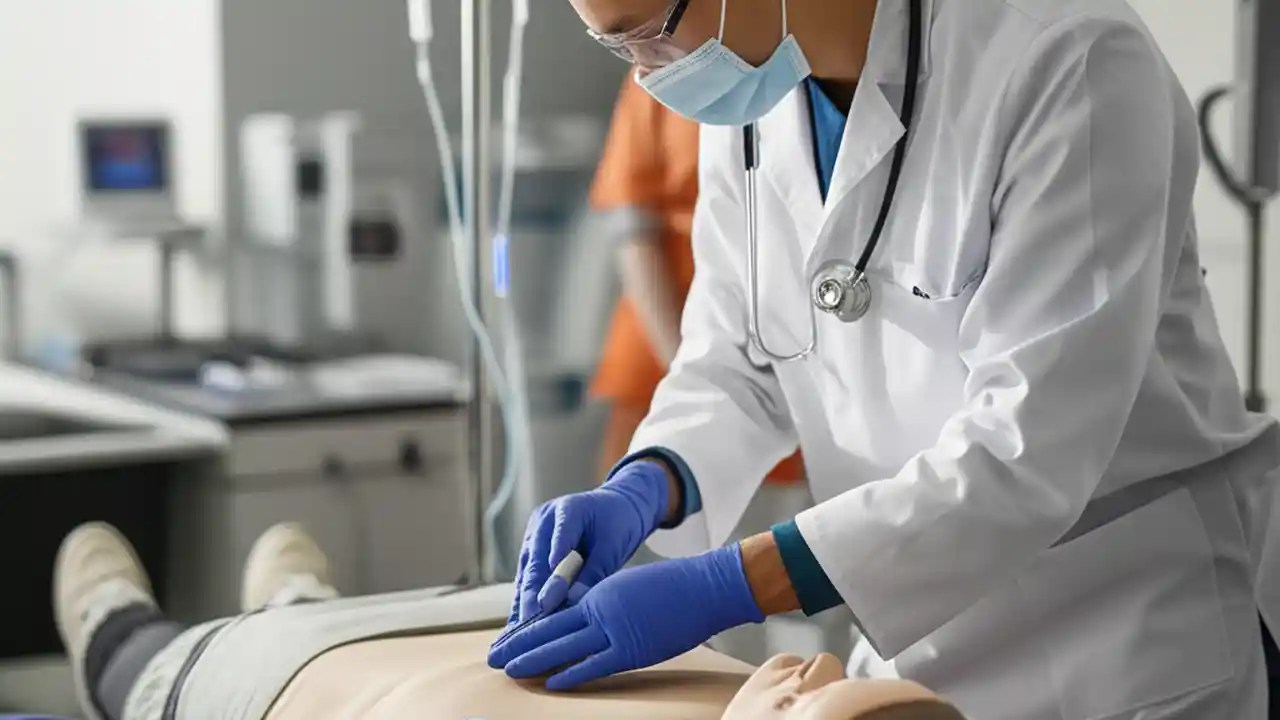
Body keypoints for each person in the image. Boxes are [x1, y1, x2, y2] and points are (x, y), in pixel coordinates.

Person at [491, 1, 1280, 718]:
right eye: (609, 42)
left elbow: (1028, 447)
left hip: (1117, 645)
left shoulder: (1068, 61)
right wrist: (650, 482)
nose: (641, 68)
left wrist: (730, 585)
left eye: (647, 29)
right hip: (917, 660)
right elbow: (740, 360)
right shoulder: (757, 102)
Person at [50, 522, 964, 720]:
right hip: (489, 609)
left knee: (133, 657)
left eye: (809, 702)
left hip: (267, 675)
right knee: (296, 593)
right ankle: (297, 592)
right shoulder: (762, 694)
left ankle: (111, 626)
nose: (819, 669)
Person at [590, 74, 805, 484]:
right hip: (664, 331)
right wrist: (690, 370)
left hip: (787, 340)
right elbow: (632, 224)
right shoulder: (657, 74)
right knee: (645, 505)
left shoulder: (799, 72)